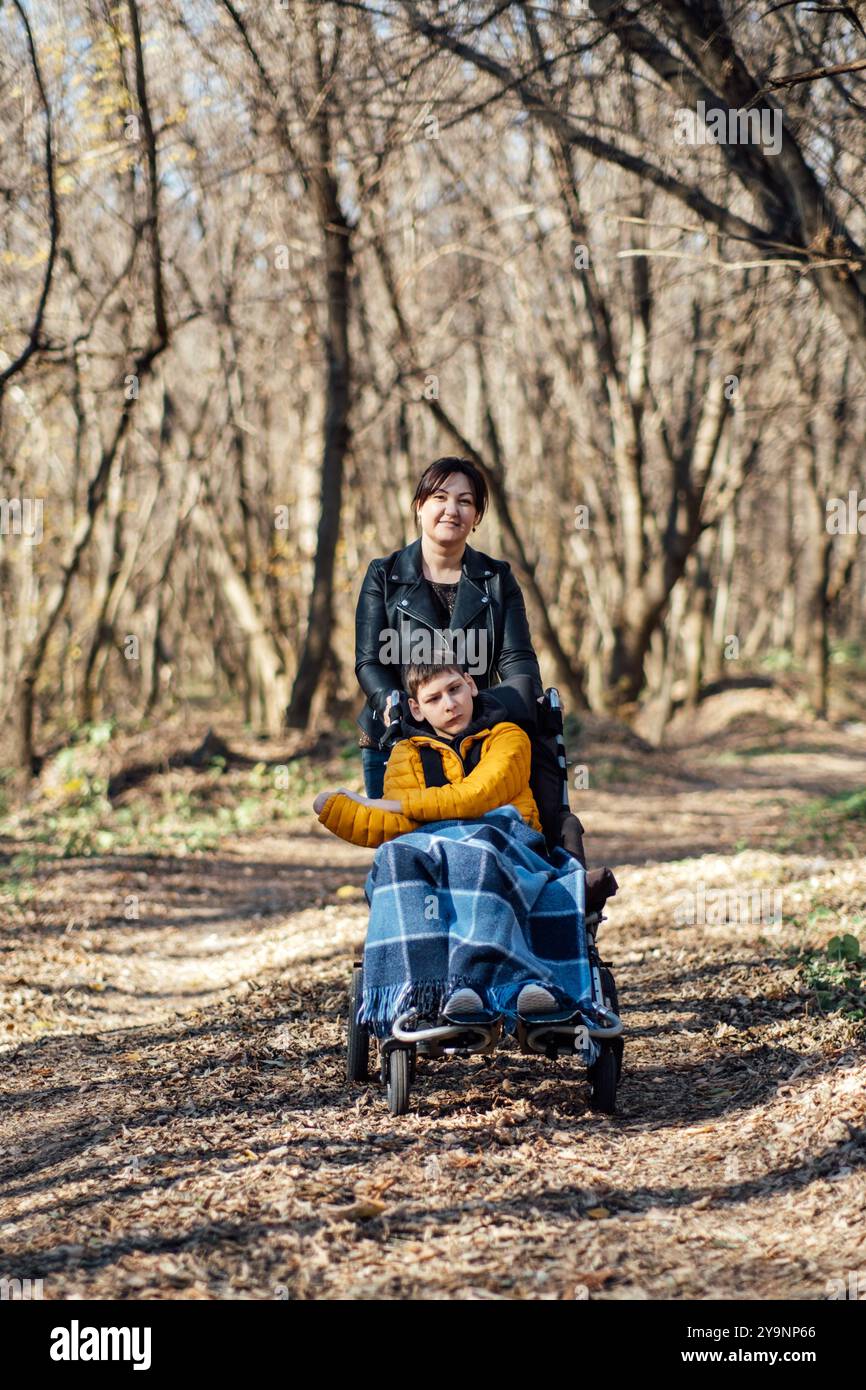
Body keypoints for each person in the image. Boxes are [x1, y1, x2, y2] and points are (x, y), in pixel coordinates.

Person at [313, 661, 584, 1024]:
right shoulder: (406, 755)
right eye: (434, 698)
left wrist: (393, 803)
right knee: (397, 854)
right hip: (435, 854)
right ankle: (420, 988)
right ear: (416, 709)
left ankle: (505, 983)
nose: (449, 704)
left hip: (508, 846)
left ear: (471, 685)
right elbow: (396, 826)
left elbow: (477, 797)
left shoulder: (507, 737)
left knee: (478, 847)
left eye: (454, 689)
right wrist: (339, 809)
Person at [354, 458, 543, 798]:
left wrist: (499, 706)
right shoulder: (384, 575)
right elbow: (370, 661)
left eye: (465, 501)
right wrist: (394, 704)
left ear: (477, 517)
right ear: (419, 507)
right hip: (397, 742)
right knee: (401, 844)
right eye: (439, 498)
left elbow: (516, 659)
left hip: (476, 741)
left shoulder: (497, 579)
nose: (451, 510)